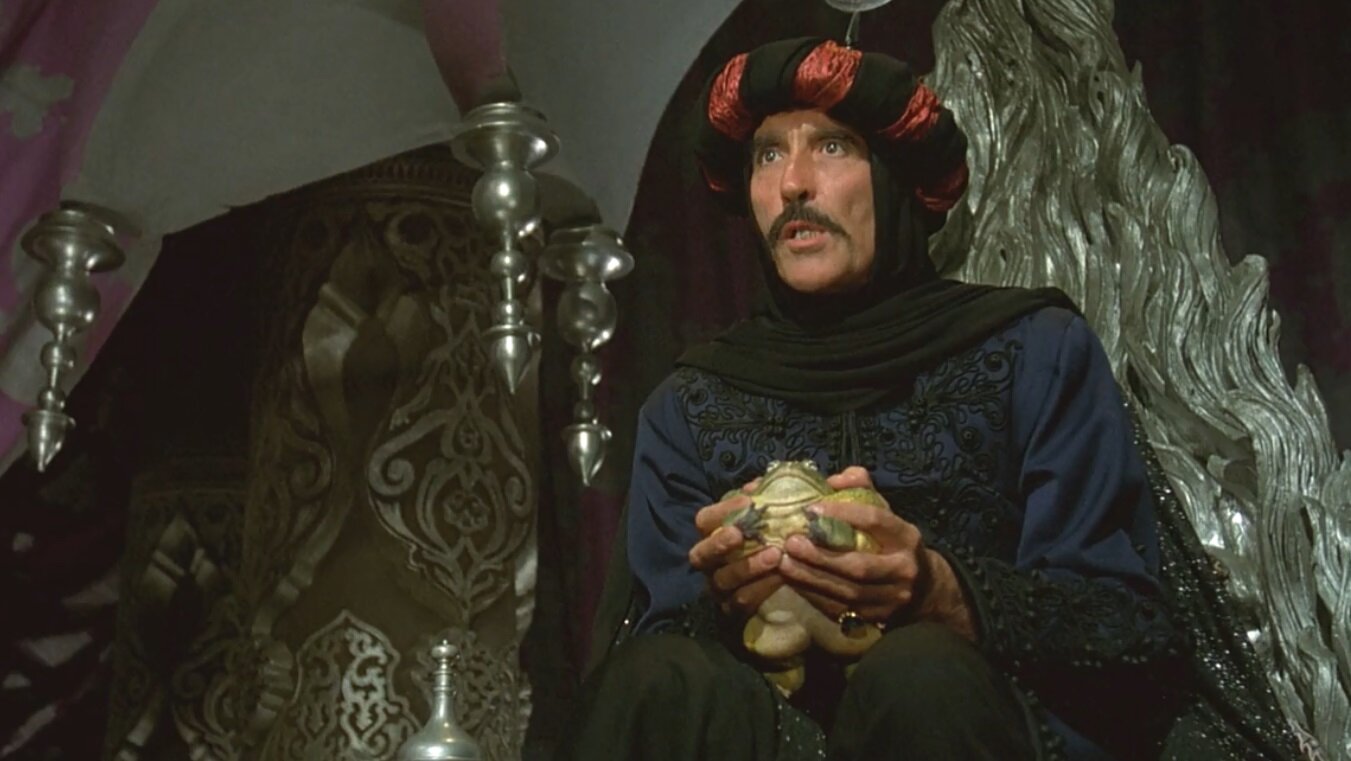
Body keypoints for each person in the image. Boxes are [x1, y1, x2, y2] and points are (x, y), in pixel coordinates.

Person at [559, 37, 1188, 760]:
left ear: (895, 178)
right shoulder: (691, 403)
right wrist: (728, 600)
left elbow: (1127, 630)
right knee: (657, 678)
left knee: (915, 674)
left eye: (832, 147)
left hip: (974, 726)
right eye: (767, 154)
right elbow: (657, 654)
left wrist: (940, 591)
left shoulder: (1034, 352)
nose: (793, 184)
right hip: (765, 737)